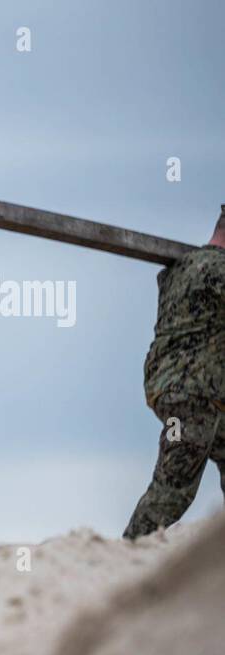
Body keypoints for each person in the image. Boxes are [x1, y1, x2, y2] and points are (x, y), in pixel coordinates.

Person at [124, 205, 225, 539]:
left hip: (177, 389)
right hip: (194, 396)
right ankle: (131, 550)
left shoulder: (181, 267)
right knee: (174, 486)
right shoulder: (217, 270)